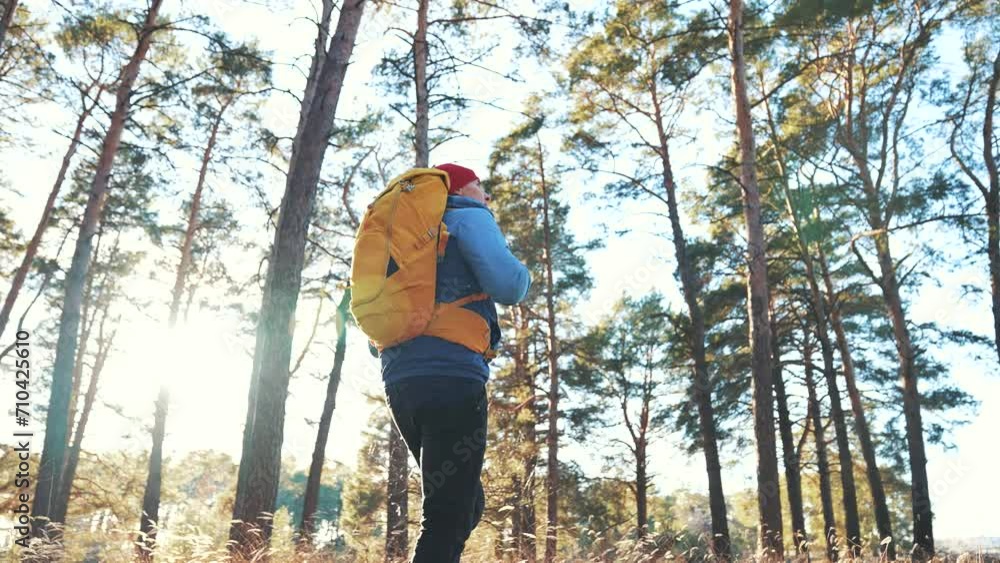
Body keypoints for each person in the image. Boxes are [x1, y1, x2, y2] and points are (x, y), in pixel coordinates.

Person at [379, 162, 531, 562]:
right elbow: (509, 284)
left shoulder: (400, 230)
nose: (487, 197)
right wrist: (525, 274)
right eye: (482, 188)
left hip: (400, 382)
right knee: (448, 515)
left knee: (465, 502)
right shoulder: (466, 215)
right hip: (453, 378)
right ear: (462, 188)